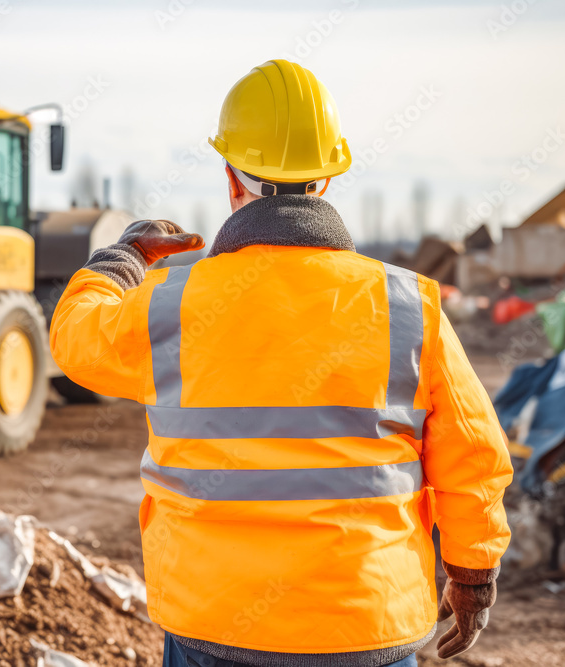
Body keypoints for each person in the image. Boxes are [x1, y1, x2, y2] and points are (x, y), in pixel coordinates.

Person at [49, 59, 513, 667]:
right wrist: (472, 575)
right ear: (327, 179)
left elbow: (75, 341)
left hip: (214, 621)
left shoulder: (171, 301)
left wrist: (124, 258)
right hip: (365, 623)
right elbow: (471, 456)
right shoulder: (408, 305)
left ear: (230, 176)